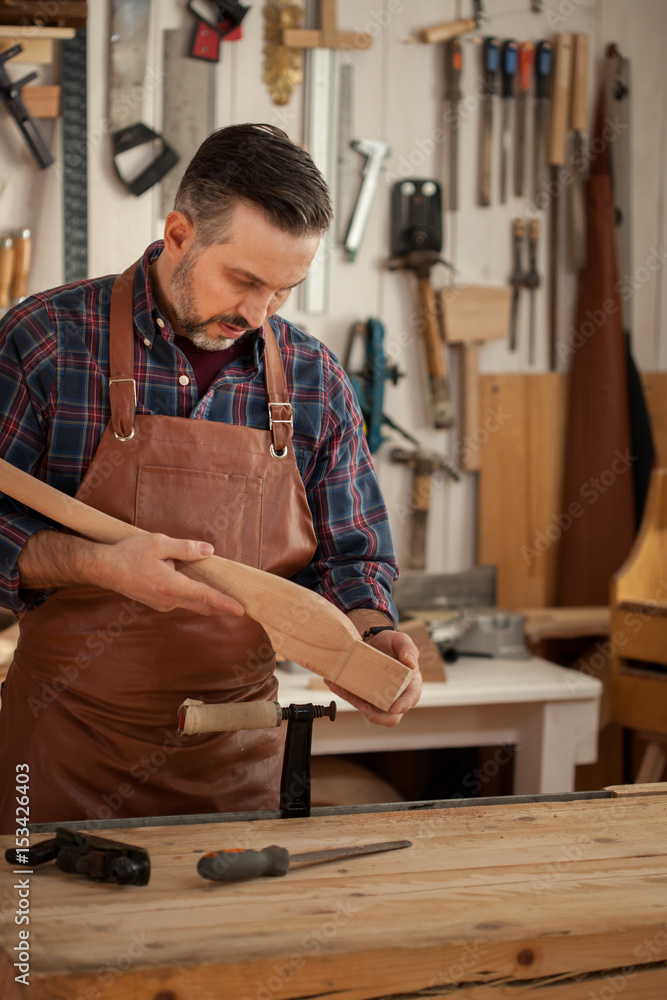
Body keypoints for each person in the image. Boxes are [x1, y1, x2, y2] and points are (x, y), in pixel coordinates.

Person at [0, 123, 421, 831]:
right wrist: (100, 566)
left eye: (282, 291)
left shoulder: (314, 378)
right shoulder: (46, 341)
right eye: (245, 280)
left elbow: (354, 555)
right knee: (40, 943)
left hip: (234, 753)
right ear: (178, 234)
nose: (257, 314)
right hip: (63, 748)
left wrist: (370, 634)